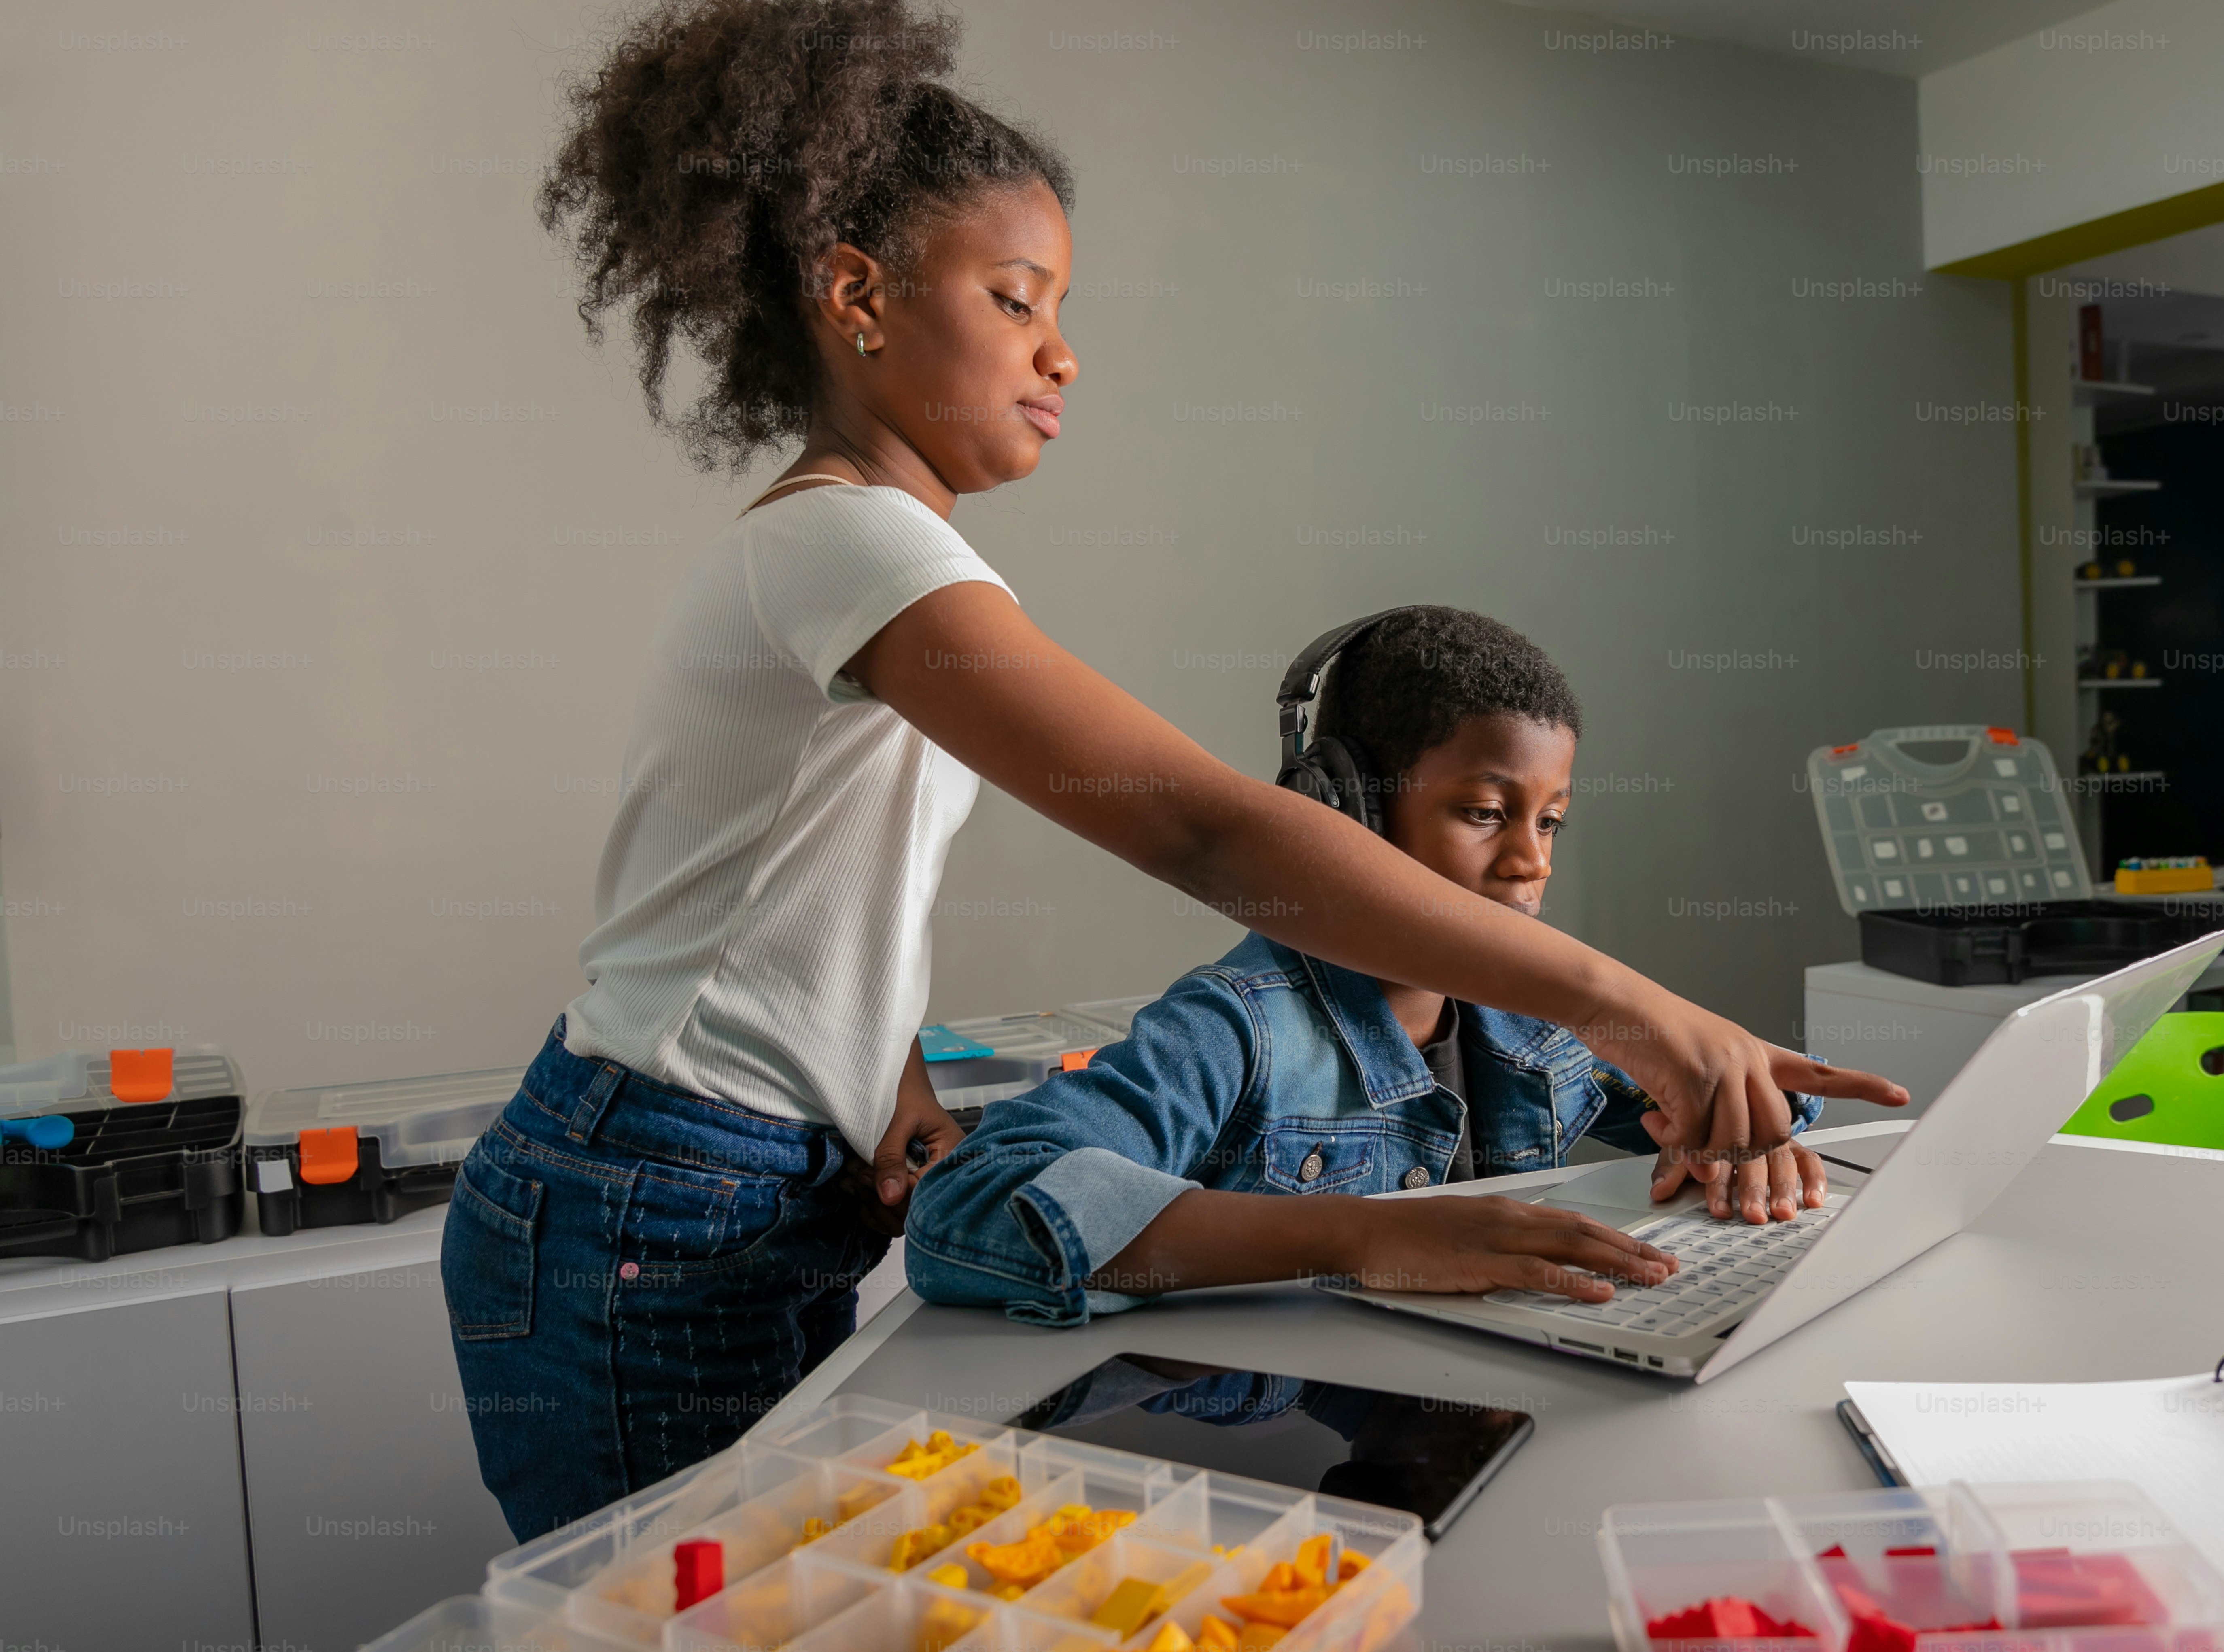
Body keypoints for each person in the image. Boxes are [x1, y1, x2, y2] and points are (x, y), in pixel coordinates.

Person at [440, 0, 1903, 1543]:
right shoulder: (846, 542)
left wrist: (897, 1090)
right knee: (688, 1619)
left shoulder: (866, 553)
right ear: (856, 293)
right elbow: (1204, 831)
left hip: (739, 1187)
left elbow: (800, 900)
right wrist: (1624, 1001)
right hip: (647, 1201)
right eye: (1016, 301)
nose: (1063, 350)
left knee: (771, 1599)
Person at [905, 609, 1876, 1323]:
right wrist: (1360, 1235)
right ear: (1344, 813)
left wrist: (1744, 1132)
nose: (1531, 860)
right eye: (1485, 814)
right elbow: (965, 1206)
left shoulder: (1535, 1023)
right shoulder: (1234, 1027)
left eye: (1550, 823)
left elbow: (1691, 1107)